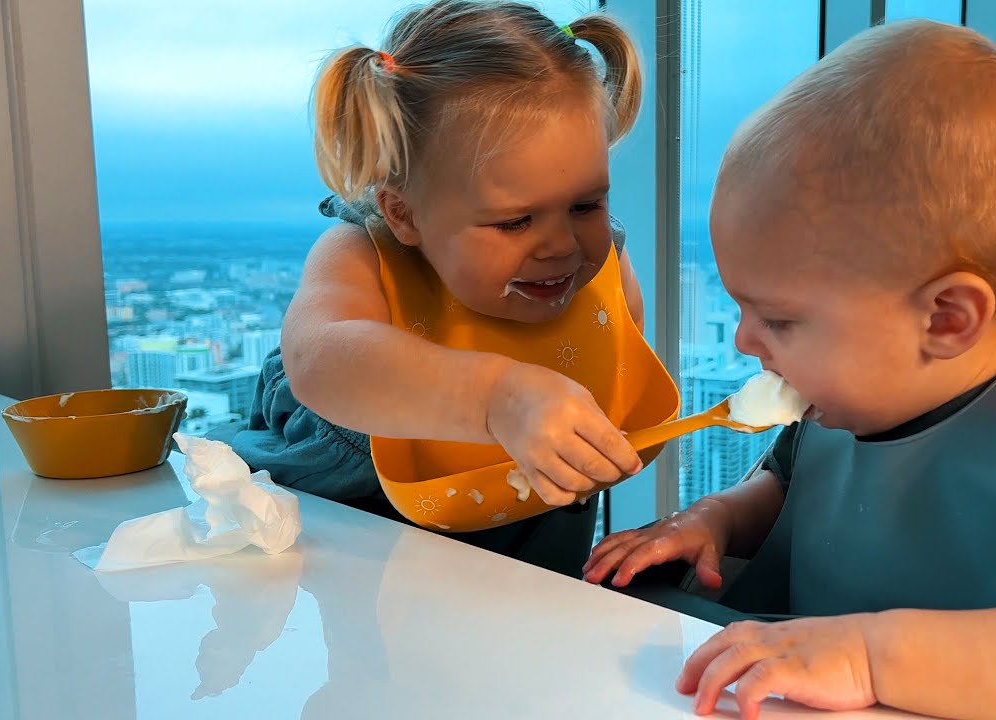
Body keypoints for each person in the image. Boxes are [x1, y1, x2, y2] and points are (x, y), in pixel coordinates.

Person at [585, 20, 996, 719]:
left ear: (945, 319)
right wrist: (714, 519)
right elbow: (789, 490)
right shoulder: (839, 406)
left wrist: (870, 657)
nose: (746, 342)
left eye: (779, 320)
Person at [230, 0, 674, 578]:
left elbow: (619, 349)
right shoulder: (365, 254)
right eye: (515, 221)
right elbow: (318, 360)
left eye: (586, 204)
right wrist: (495, 399)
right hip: (342, 546)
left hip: (520, 555)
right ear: (403, 214)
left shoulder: (605, 258)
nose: (562, 245)